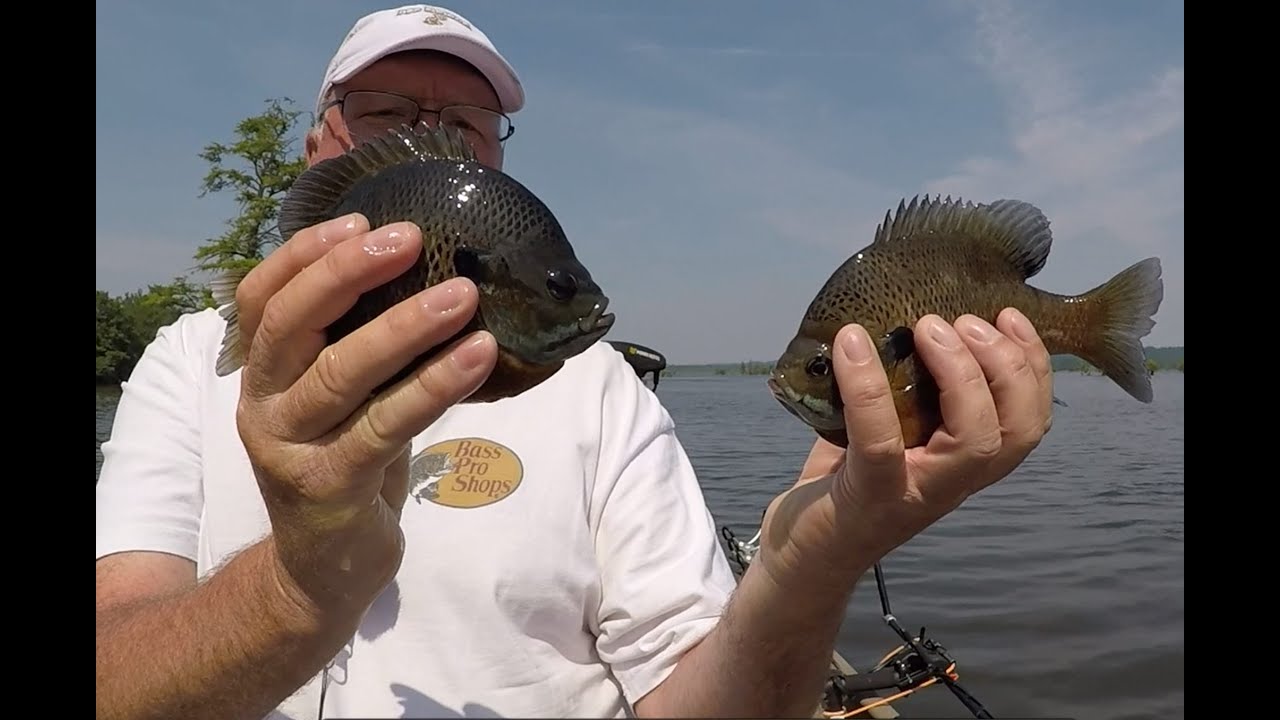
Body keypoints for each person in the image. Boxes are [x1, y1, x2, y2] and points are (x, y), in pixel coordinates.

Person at [94, 5, 1055, 720]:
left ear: (493, 171)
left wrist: (818, 560)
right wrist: (302, 579)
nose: (431, 134)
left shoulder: (600, 392)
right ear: (318, 150)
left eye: (466, 123)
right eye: (383, 110)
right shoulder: (191, 362)